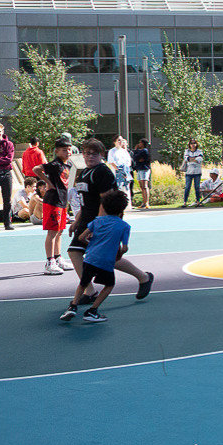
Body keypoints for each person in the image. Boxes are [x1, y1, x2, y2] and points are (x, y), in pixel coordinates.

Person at [65, 139, 154, 303]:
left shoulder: (102, 172)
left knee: (81, 252)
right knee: (95, 255)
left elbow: (105, 202)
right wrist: (77, 220)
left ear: (101, 155)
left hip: (102, 221)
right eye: (87, 153)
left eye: (94, 153)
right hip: (88, 220)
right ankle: (142, 278)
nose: (90, 156)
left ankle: (92, 291)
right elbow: (86, 201)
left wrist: (97, 226)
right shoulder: (85, 172)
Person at [60, 189, 134, 324]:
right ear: (122, 209)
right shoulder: (124, 226)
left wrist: (92, 244)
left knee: (83, 283)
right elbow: (124, 248)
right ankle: (92, 310)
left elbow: (82, 237)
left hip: (90, 258)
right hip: (106, 261)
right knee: (109, 285)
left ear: (104, 206)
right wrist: (118, 254)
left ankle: (72, 306)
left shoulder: (96, 222)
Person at [39, 139, 73, 274]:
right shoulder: (54, 164)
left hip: (62, 200)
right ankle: (49, 261)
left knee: (60, 231)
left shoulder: (67, 164)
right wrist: (48, 183)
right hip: (53, 201)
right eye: (64, 150)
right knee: (52, 232)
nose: (67, 152)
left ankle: (58, 258)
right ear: (57, 151)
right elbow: (37, 169)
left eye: (69, 149)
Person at [181, 138, 206, 205]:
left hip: (197, 172)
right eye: (191, 143)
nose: (193, 145)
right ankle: (185, 202)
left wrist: (192, 159)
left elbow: (199, 159)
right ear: (189, 145)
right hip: (189, 172)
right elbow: (186, 158)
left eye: (194, 143)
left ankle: (198, 201)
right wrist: (193, 159)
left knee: (197, 187)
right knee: (187, 187)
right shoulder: (187, 151)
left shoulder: (199, 151)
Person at [132, 138, 153, 209]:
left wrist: (136, 150)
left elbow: (136, 157)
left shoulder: (145, 151)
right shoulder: (140, 151)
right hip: (139, 169)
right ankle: (144, 202)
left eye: (140, 143)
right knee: (141, 186)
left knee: (144, 186)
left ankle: (147, 202)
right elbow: (135, 158)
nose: (139, 144)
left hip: (144, 169)